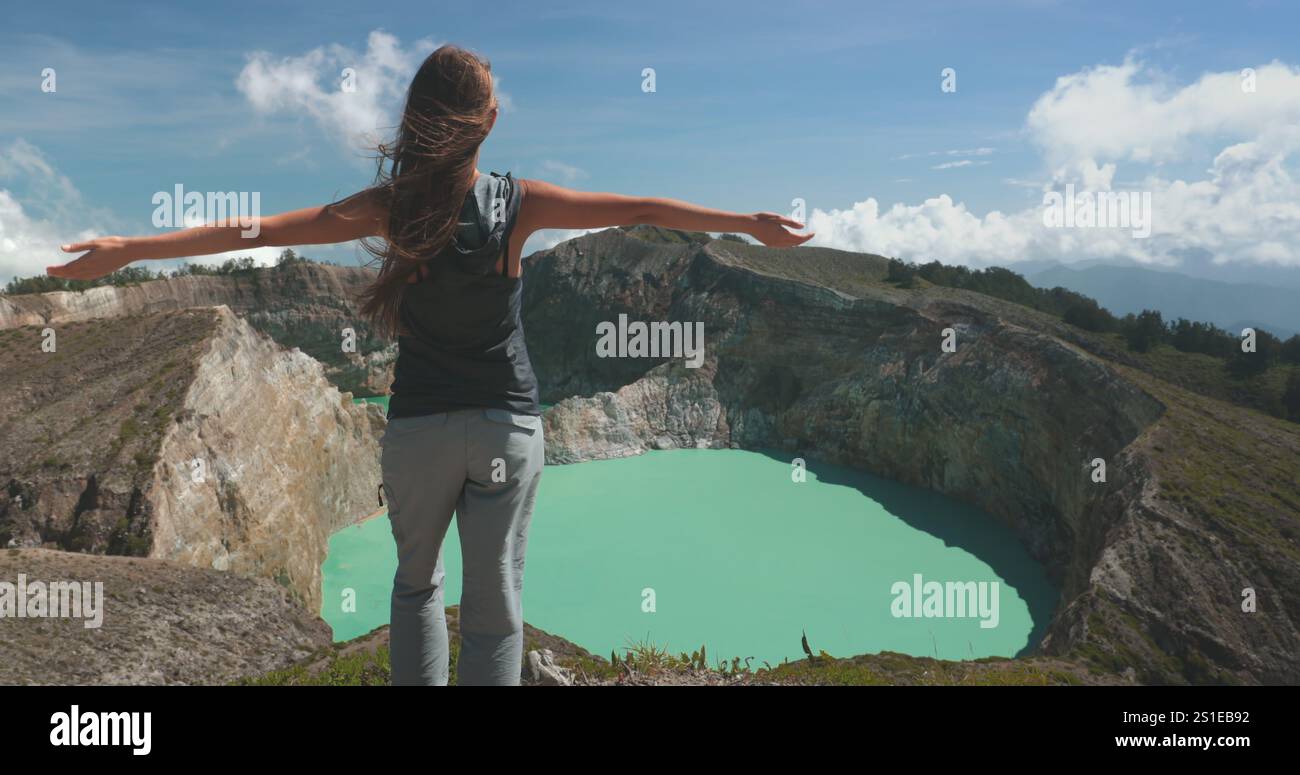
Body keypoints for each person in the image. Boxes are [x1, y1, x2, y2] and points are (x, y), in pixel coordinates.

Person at [47, 44, 813, 686]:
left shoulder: (389, 205)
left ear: (419, 117)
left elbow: (254, 230)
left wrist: (127, 250)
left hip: (416, 432)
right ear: (486, 122)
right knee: (496, 601)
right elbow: (641, 209)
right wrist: (746, 225)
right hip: (506, 428)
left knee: (417, 588)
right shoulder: (521, 203)